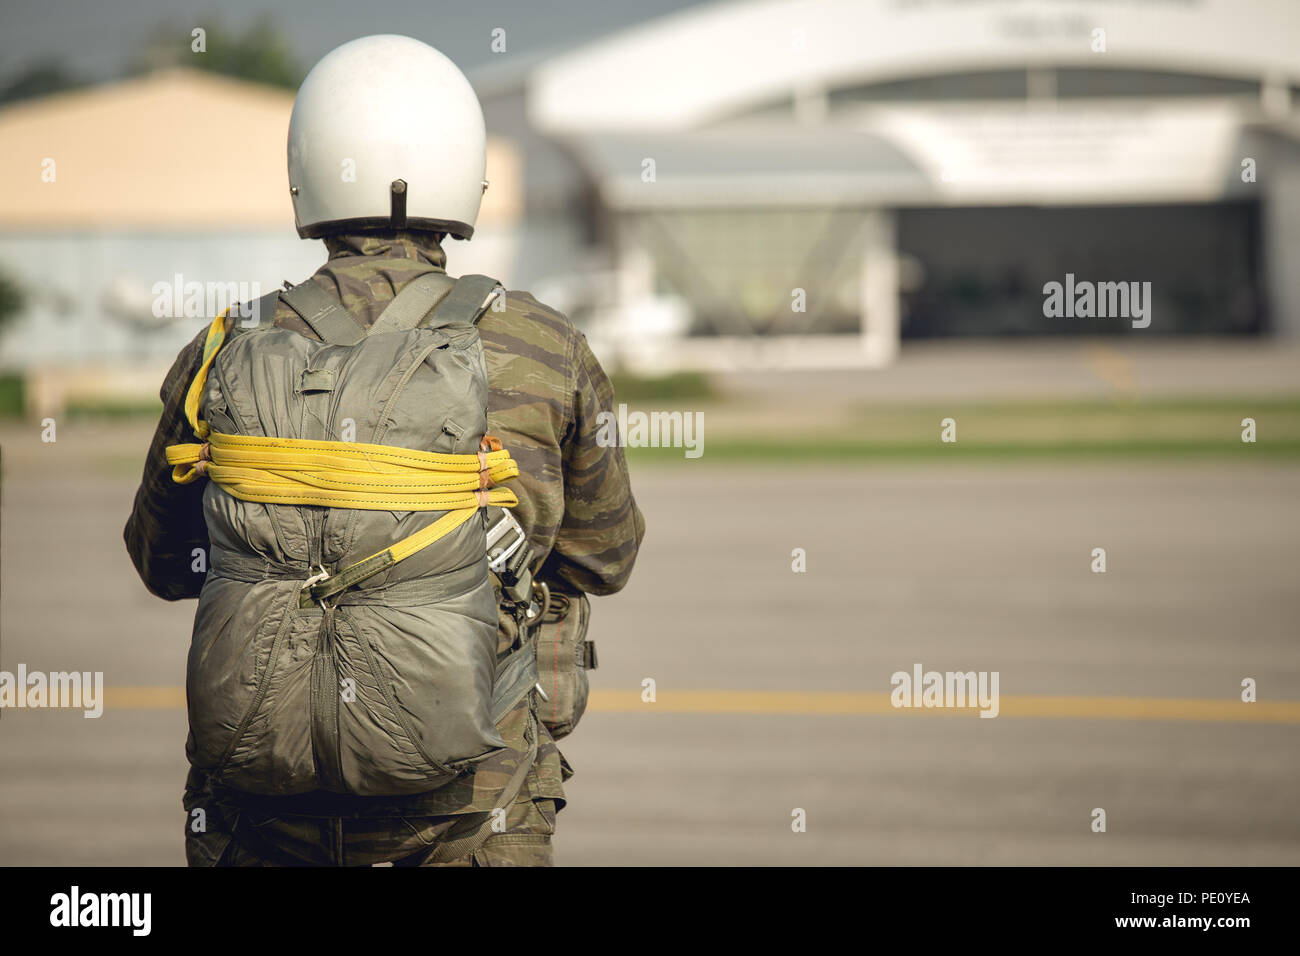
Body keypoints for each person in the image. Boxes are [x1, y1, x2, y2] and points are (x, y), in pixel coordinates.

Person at [123, 34, 644, 866]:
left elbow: (163, 560)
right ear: (462, 170)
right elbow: (604, 558)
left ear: (309, 171)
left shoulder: (227, 343)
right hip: (472, 814)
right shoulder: (545, 345)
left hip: (260, 814)